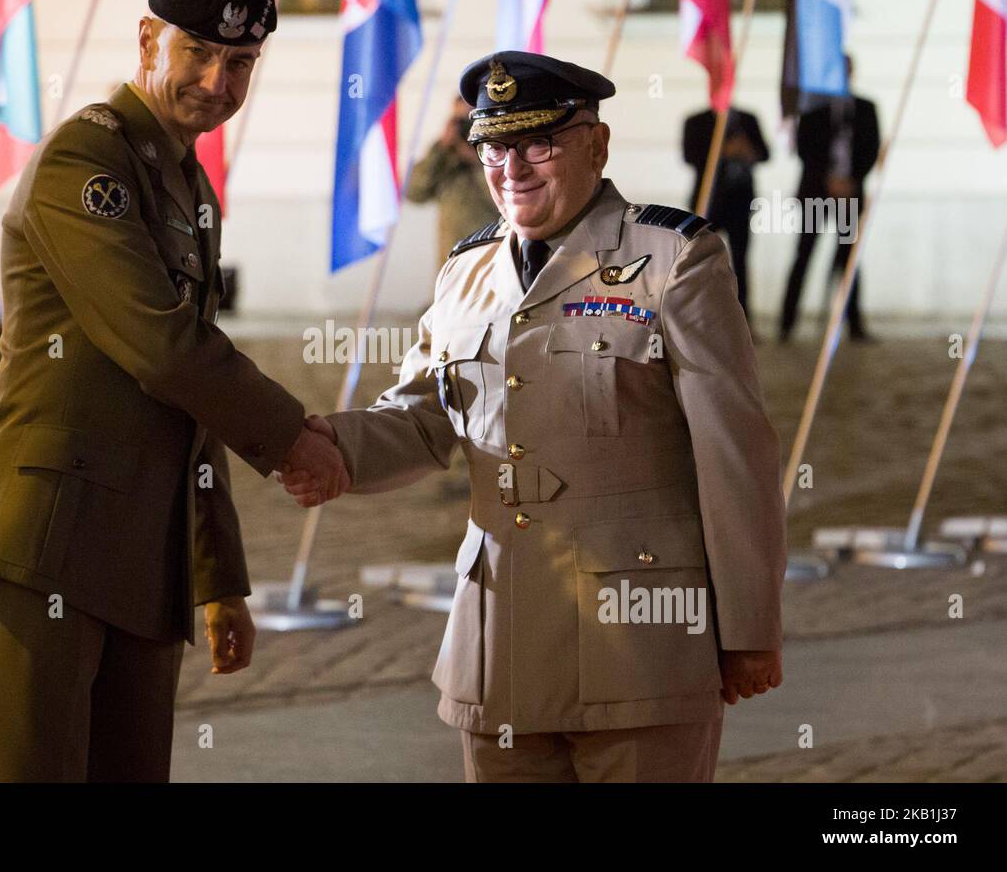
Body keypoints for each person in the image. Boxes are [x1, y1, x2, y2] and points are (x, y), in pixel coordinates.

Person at [281, 51, 786, 783]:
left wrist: (748, 629)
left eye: (538, 143)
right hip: (499, 646)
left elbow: (733, 452)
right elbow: (423, 419)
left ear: (596, 144)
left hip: (640, 646)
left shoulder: (674, 258)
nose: (511, 167)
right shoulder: (467, 271)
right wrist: (326, 445)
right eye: (494, 146)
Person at [0, 0, 348, 783]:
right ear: (146, 39)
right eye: (197, 51)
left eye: (240, 63)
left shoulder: (186, 185)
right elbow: (164, 349)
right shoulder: (86, 161)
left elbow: (186, 400)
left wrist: (217, 578)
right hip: (50, 539)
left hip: (143, 553)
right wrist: (287, 439)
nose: (217, 78)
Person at [779, 56, 881, 343]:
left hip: (849, 194)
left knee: (848, 258)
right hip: (816, 193)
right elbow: (805, 149)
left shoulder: (865, 108)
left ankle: (855, 325)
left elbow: (871, 148)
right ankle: (786, 324)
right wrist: (828, 179)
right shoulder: (812, 109)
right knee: (805, 254)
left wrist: (852, 180)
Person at [681, 106, 769, 320]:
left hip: (740, 202)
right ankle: (699, 316)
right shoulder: (696, 120)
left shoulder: (748, 118)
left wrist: (748, 150)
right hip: (709, 202)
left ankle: (743, 319)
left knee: (741, 261)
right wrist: (722, 151)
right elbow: (690, 156)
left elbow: (765, 153)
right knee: (701, 261)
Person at [406, 97, 500, 261]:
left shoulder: (499, 153)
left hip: (492, 257)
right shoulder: (444, 157)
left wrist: (478, 161)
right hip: (452, 260)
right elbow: (413, 193)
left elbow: (502, 198)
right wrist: (441, 148)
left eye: (471, 119)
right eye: (460, 120)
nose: (466, 127)